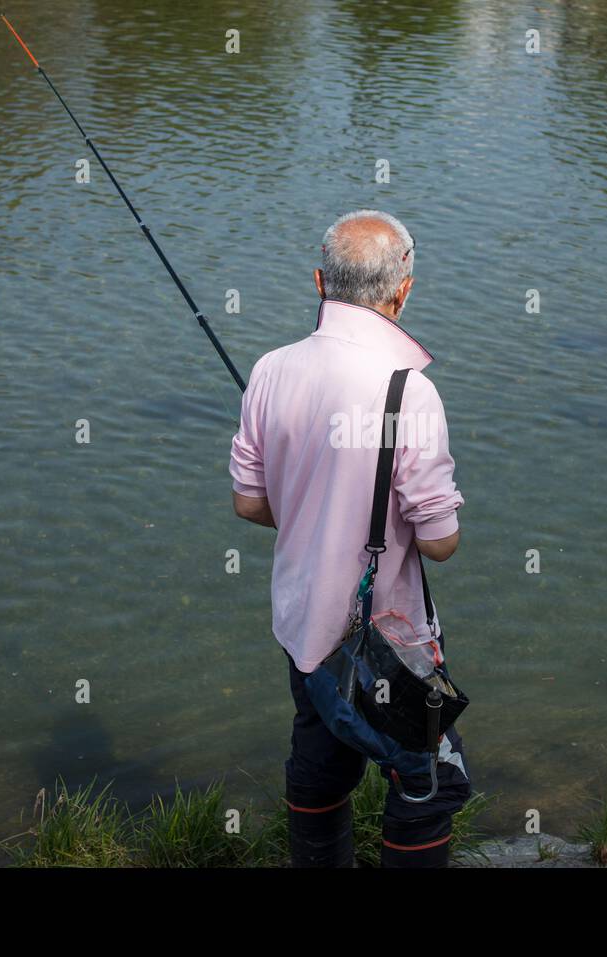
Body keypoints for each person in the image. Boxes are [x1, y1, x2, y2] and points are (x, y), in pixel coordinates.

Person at [229, 209, 471, 867]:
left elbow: (249, 501)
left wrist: (317, 514)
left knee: (319, 749)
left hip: (305, 621)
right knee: (426, 780)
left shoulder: (270, 370)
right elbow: (441, 540)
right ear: (404, 291)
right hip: (391, 632)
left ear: (318, 282)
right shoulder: (409, 393)